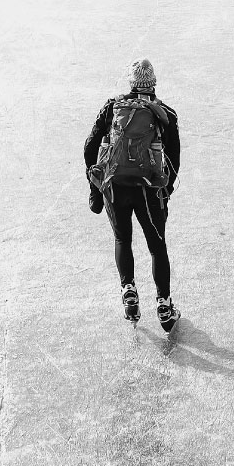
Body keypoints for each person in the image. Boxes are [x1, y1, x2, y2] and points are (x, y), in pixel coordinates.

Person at [84, 59, 182, 331]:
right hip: (148, 189)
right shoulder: (164, 113)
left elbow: (90, 147)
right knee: (157, 246)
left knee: (122, 239)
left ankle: (129, 293)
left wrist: (94, 187)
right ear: (153, 84)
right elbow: (174, 160)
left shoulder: (112, 108)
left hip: (115, 187)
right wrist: (166, 191)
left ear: (130, 83)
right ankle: (164, 306)